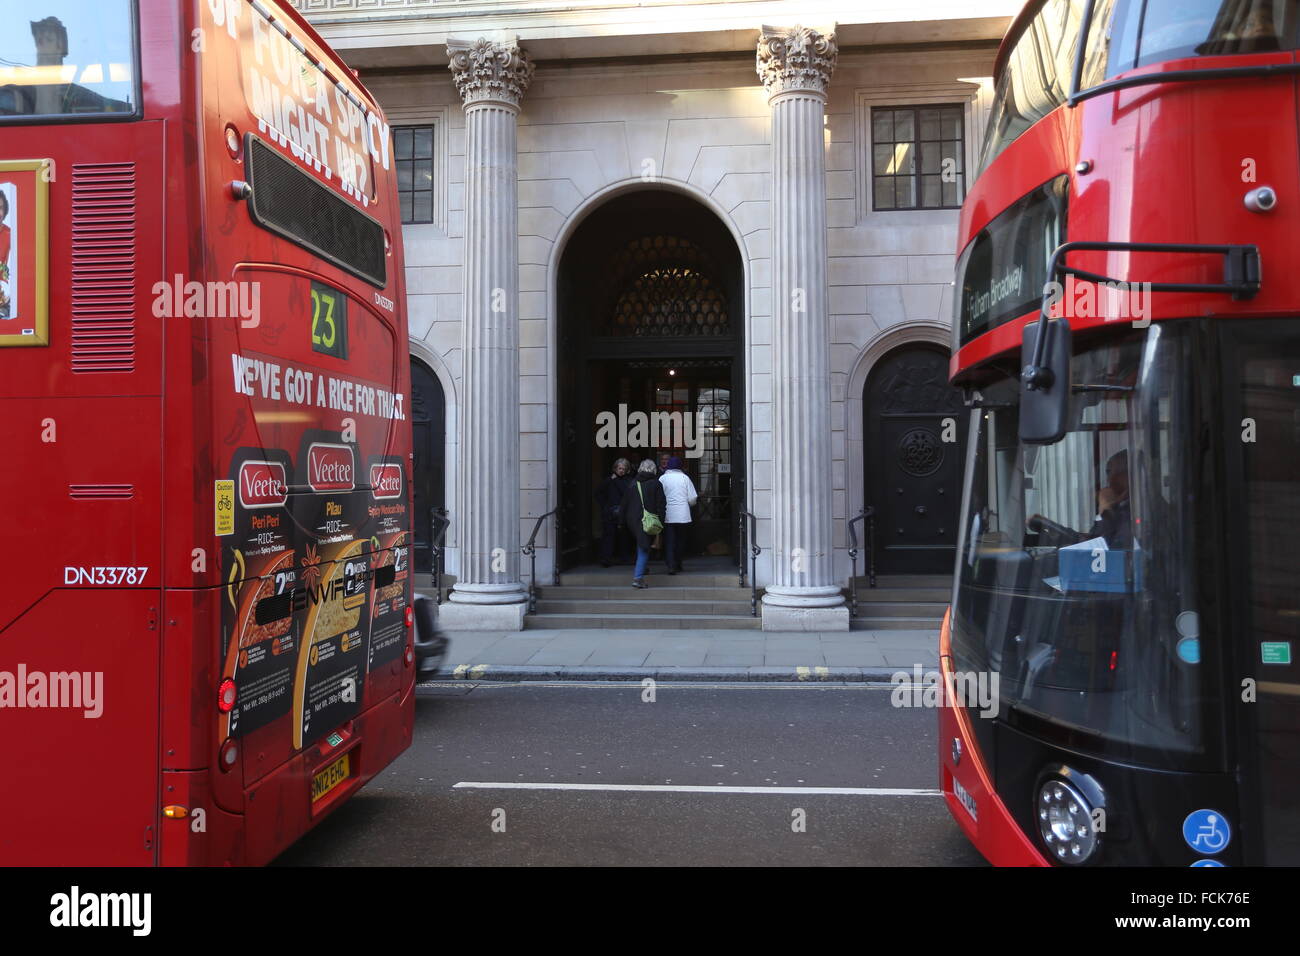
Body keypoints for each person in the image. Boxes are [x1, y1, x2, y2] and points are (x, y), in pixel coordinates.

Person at [622, 458, 667, 589]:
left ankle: (642, 567)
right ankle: (638, 578)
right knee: (644, 548)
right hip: (647, 520)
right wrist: (661, 522)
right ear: (653, 470)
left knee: (641, 544)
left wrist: (621, 522)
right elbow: (661, 505)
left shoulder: (632, 483)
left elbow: (624, 504)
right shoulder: (656, 484)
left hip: (632, 521)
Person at [657, 455, 698, 574]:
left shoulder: (662, 479)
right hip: (683, 515)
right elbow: (692, 497)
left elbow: (658, 497)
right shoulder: (685, 478)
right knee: (680, 540)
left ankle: (670, 565)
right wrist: (689, 504)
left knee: (669, 541)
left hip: (667, 514)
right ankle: (678, 562)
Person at [593, 457, 633, 567]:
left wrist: (615, 480)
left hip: (623, 513)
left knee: (624, 536)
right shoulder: (608, 480)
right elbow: (598, 493)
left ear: (627, 470)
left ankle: (625, 558)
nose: (621, 471)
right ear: (615, 468)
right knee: (608, 536)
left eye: (623, 469)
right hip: (609, 513)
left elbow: (626, 492)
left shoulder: (628, 481)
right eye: (619, 468)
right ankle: (606, 558)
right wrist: (604, 506)